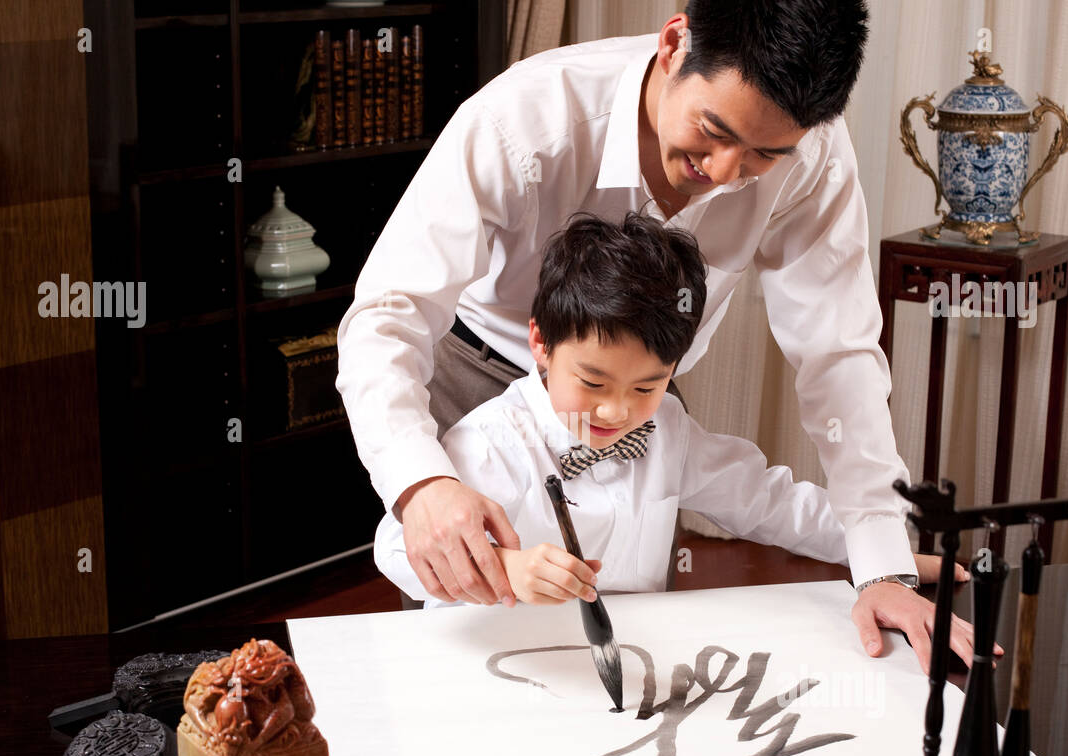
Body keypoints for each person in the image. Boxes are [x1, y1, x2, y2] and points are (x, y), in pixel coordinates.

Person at [338, 0, 982, 673]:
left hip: (644, 393)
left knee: (627, 632)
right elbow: (388, 314)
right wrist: (422, 485)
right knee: (463, 625)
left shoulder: (812, 157)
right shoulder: (524, 121)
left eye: (765, 154)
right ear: (675, 43)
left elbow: (838, 355)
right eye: (713, 131)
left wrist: (879, 559)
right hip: (474, 368)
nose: (728, 171)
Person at [376, 212, 855, 607]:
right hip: (497, 672)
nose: (615, 412)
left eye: (647, 386)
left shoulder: (665, 427)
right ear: (541, 342)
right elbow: (394, 548)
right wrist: (506, 567)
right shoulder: (490, 442)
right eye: (593, 382)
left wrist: (886, 555)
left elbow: (770, 501)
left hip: (627, 669)